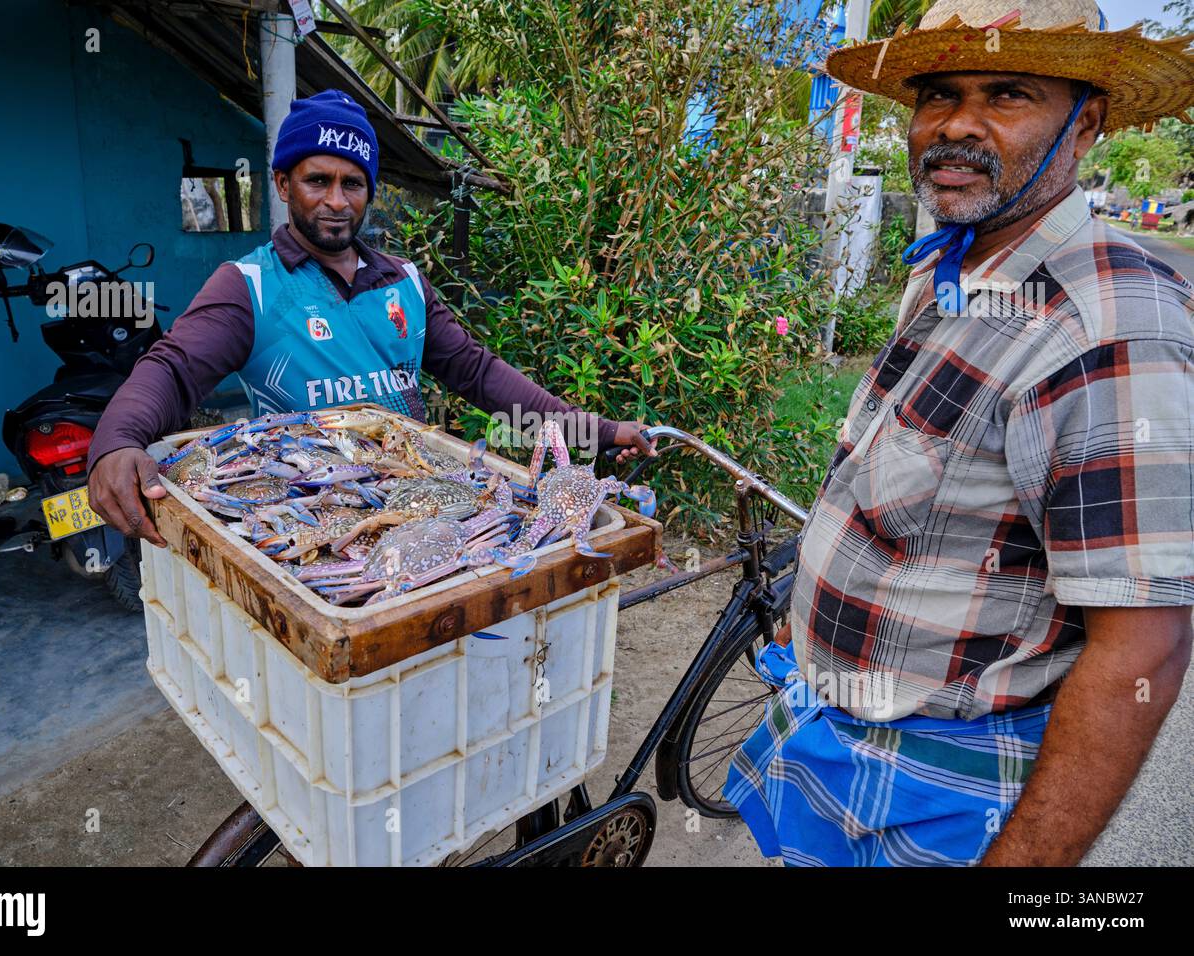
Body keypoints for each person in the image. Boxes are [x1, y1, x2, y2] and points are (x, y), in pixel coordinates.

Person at [725, 0, 1194, 866]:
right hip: (844, 750)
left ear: (1083, 124)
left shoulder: (1109, 328)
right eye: (938, 95)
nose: (957, 127)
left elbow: (1146, 649)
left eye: (1007, 94)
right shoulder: (956, 265)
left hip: (947, 803)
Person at [87, 90, 653, 545]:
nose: (336, 200)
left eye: (351, 183)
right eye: (317, 180)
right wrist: (116, 442)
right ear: (284, 184)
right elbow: (174, 368)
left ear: (369, 192)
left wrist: (597, 433)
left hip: (418, 509)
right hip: (312, 525)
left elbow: (479, 376)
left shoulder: (405, 283)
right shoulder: (250, 286)